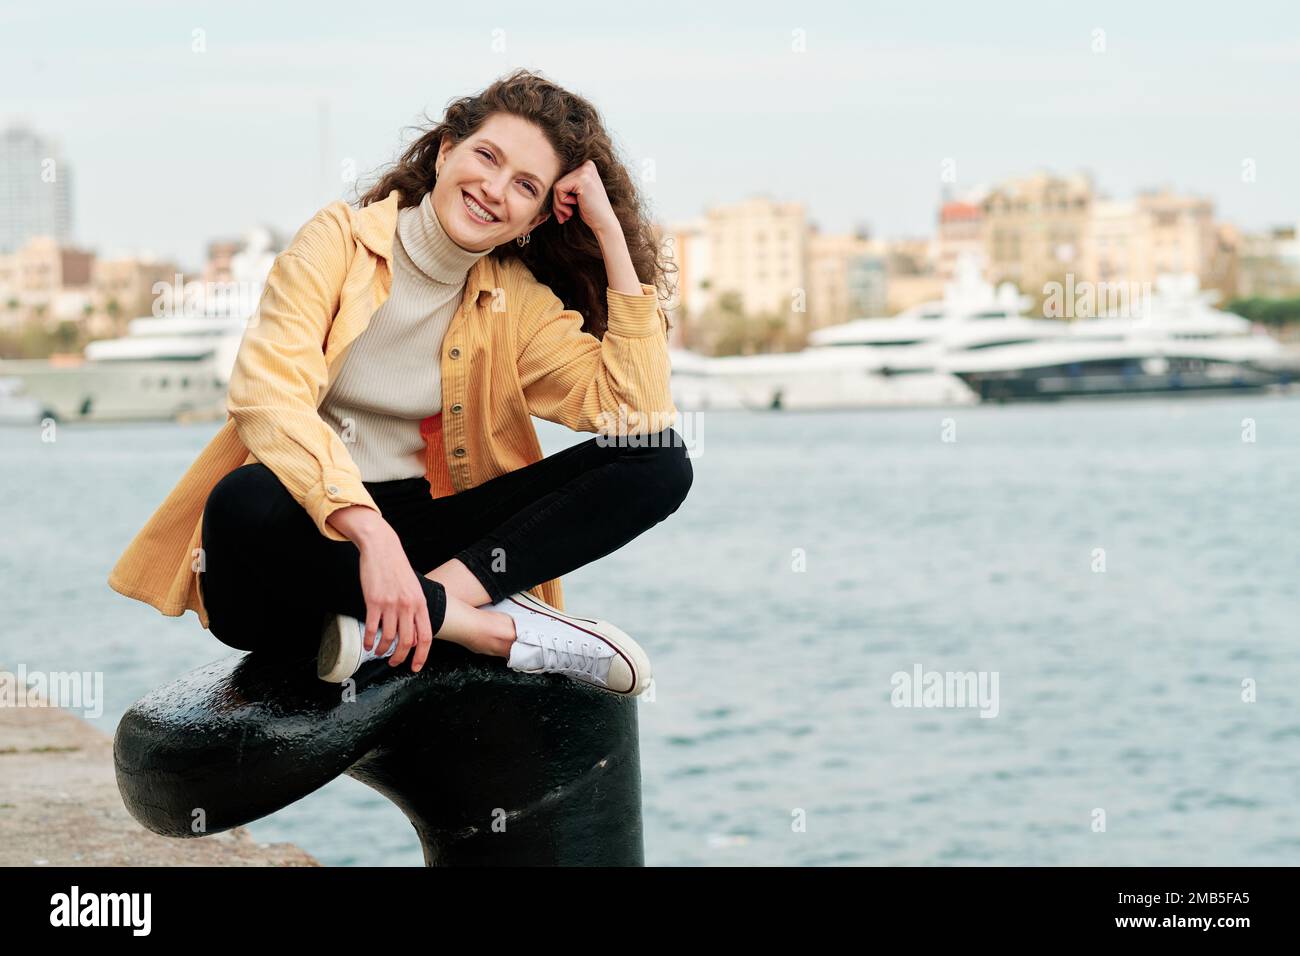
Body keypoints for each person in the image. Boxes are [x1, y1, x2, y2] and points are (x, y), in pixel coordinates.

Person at [107, 69, 693, 697]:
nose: (494, 190)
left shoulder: (513, 298)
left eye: (525, 185)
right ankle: (483, 628)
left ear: (538, 215)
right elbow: (266, 396)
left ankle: (414, 611)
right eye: (486, 157)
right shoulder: (338, 242)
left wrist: (607, 233)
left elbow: (636, 413)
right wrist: (368, 531)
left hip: (418, 537)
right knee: (243, 499)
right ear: (446, 151)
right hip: (300, 542)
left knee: (657, 462)